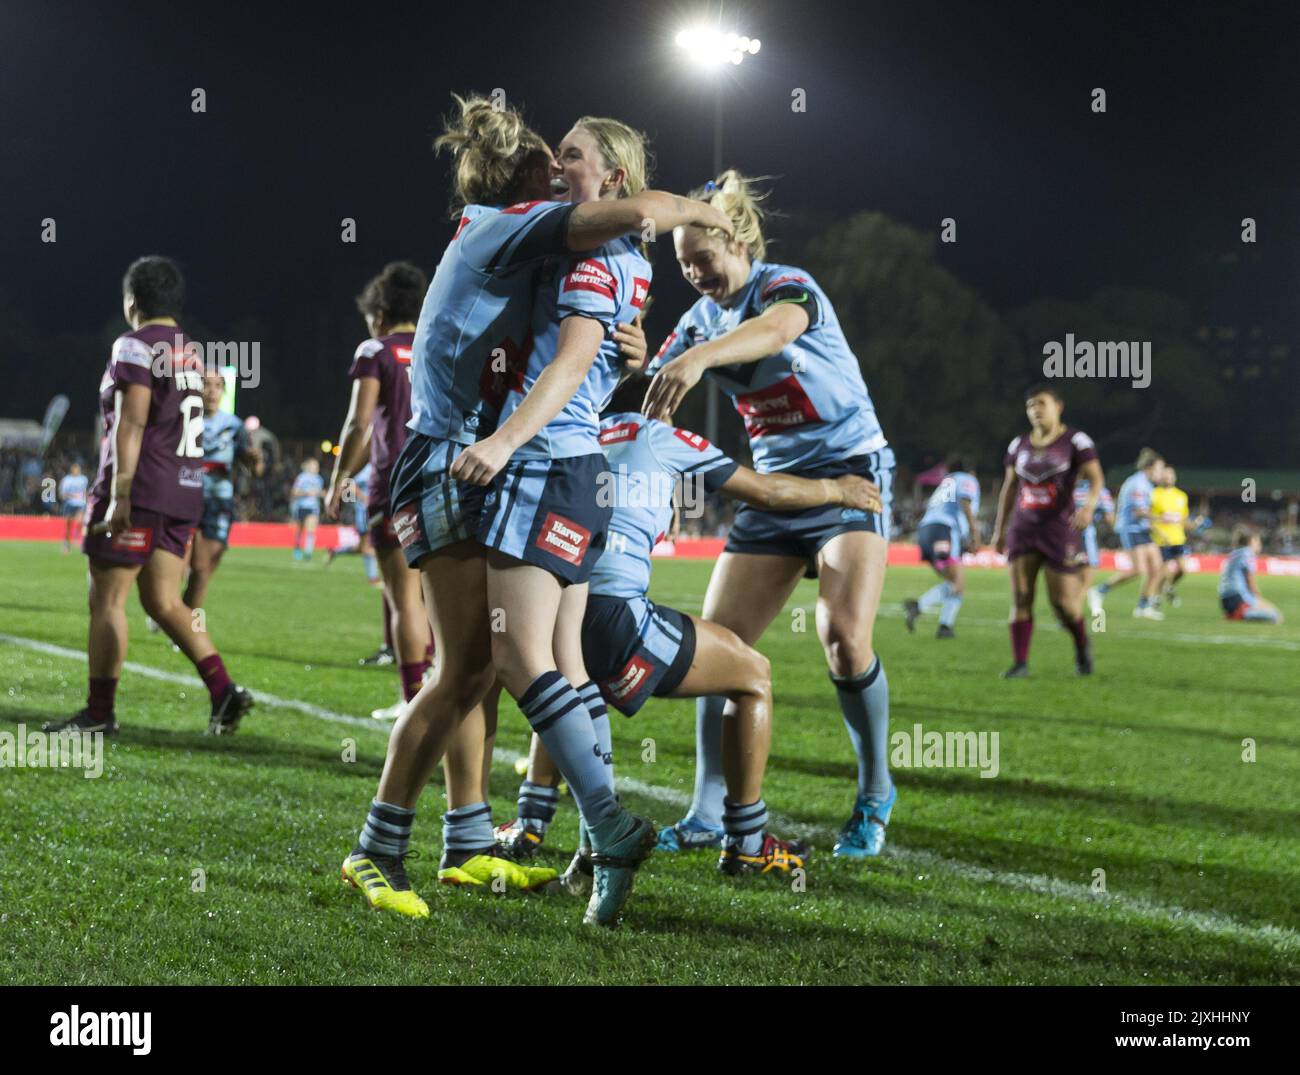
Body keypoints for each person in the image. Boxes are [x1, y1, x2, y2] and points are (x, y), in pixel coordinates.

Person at [340, 95, 731, 925]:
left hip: (515, 457)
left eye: (569, 159)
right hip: (451, 456)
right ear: (525, 182)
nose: (559, 172)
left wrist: (626, 344)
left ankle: (469, 842)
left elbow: (575, 344)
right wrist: (701, 211)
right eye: (548, 162)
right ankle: (380, 848)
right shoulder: (505, 226)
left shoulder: (543, 243)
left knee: (489, 663)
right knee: (473, 666)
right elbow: (638, 217)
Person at [496, 371, 882, 881]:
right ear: (659, 406)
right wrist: (839, 489)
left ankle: (529, 823)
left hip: (555, 610)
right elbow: (764, 491)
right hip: (616, 614)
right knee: (753, 675)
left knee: (571, 689)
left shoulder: (579, 435)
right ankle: (746, 840)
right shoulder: (660, 435)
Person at [644, 170, 898, 859]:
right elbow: (643, 383)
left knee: (843, 635)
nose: (695, 273)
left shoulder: (788, 286)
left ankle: (875, 794)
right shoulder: (697, 320)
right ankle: (704, 808)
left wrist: (699, 357)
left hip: (850, 477)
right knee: (715, 647)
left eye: (704, 257)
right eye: (683, 263)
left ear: (737, 238)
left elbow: (776, 330)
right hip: (776, 489)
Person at [43, 256, 254, 736]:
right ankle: (224, 691)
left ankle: (99, 714)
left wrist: (120, 493)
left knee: (108, 599)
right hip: (183, 491)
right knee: (164, 601)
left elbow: (133, 421)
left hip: (141, 489)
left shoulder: (134, 346)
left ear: (132, 300)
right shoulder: (192, 353)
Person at [325, 262, 434, 721]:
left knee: (403, 599)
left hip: (395, 486)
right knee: (437, 599)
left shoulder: (376, 350)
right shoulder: (436, 344)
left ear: (381, 313)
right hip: (441, 480)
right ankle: (440, 691)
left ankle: (413, 701)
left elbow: (359, 423)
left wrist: (338, 480)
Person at [990, 384, 1104, 678]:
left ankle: (1081, 644)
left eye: (1041, 403)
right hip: (1023, 528)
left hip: (1059, 530)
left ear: (1058, 406)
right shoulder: (1018, 445)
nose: (1035, 410)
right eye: (1030, 406)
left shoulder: (1075, 441)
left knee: (1064, 605)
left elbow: (1095, 479)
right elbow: (1009, 487)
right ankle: (1020, 663)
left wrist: (1088, 508)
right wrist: (999, 530)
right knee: (1021, 596)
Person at [182, 371, 263, 612]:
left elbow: (254, 469)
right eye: (206, 384)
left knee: (203, 568)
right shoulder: (183, 420)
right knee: (174, 564)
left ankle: (187, 627)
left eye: (218, 385)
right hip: (182, 498)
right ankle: (166, 607)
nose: (212, 390)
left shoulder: (234, 425)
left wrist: (254, 459)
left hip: (218, 501)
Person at [904, 455, 980, 638]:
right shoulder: (965, 479)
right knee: (957, 583)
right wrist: (974, 533)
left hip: (926, 532)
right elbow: (965, 503)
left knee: (953, 583)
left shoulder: (946, 482)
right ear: (971, 471)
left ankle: (945, 626)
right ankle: (919, 606)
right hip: (943, 530)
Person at [1091, 448, 1166, 620]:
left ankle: (1143, 607)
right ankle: (1099, 590)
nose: (1161, 473)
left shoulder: (1146, 484)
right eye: (1159, 468)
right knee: (1138, 570)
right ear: (1149, 468)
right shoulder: (1138, 483)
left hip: (1142, 529)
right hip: (1131, 529)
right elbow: (1139, 512)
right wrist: (1163, 518)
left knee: (1157, 568)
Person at [1218, 527, 1283, 623]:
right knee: (1274, 615)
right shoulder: (1247, 553)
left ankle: (1235, 613)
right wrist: (1259, 599)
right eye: (1258, 541)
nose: (1259, 544)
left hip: (1225, 598)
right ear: (1251, 541)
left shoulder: (1235, 553)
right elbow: (1250, 581)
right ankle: (1242, 614)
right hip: (1238, 597)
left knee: (1267, 609)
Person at [1151, 465, 1190, 608]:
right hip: (1161, 539)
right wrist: (1157, 531)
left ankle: (1169, 586)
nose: (1168, 477)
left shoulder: (1181, 496)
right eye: (1165, 474)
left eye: (1171, 474)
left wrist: (1193, 524)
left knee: (1183, 569)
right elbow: (1150, 518)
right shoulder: (1154, 494)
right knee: (1164, 570)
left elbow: (1183, 519)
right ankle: (1155, 597)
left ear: (1174, 477)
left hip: (1178, 538)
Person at [1077, 478, 1115, 617]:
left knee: (1067, 572)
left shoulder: (1065, 484)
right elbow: (1110, 517)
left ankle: (1066, 609)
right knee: (1089, 570)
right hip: (1085, 533)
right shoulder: (1099, 490)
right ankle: (1075, 609)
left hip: (1063, 536)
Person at [290, 459, 324, 560]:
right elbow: (294, 492)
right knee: (300, 530)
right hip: (301, 506)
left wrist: (321, 494)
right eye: (314, 465)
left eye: (317, 466)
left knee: (311, 529)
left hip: (313, 507)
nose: (316, 468)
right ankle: (297, 548)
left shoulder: (319, 479)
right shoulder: (302, 477)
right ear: (309, 466)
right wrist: (306, 493)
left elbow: (320, 492)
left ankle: (308, 553)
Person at [58, 462, 88, 553]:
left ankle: (79, 539)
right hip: (69, 504)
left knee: (80, 522)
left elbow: (85, 492)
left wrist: (86, 501)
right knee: (68, 526)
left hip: (81, 504)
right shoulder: (66, 480)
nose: (76, 470)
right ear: (72, 470)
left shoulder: (83, 479)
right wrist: (70, 496)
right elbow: (62, 494)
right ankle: (67, 545)